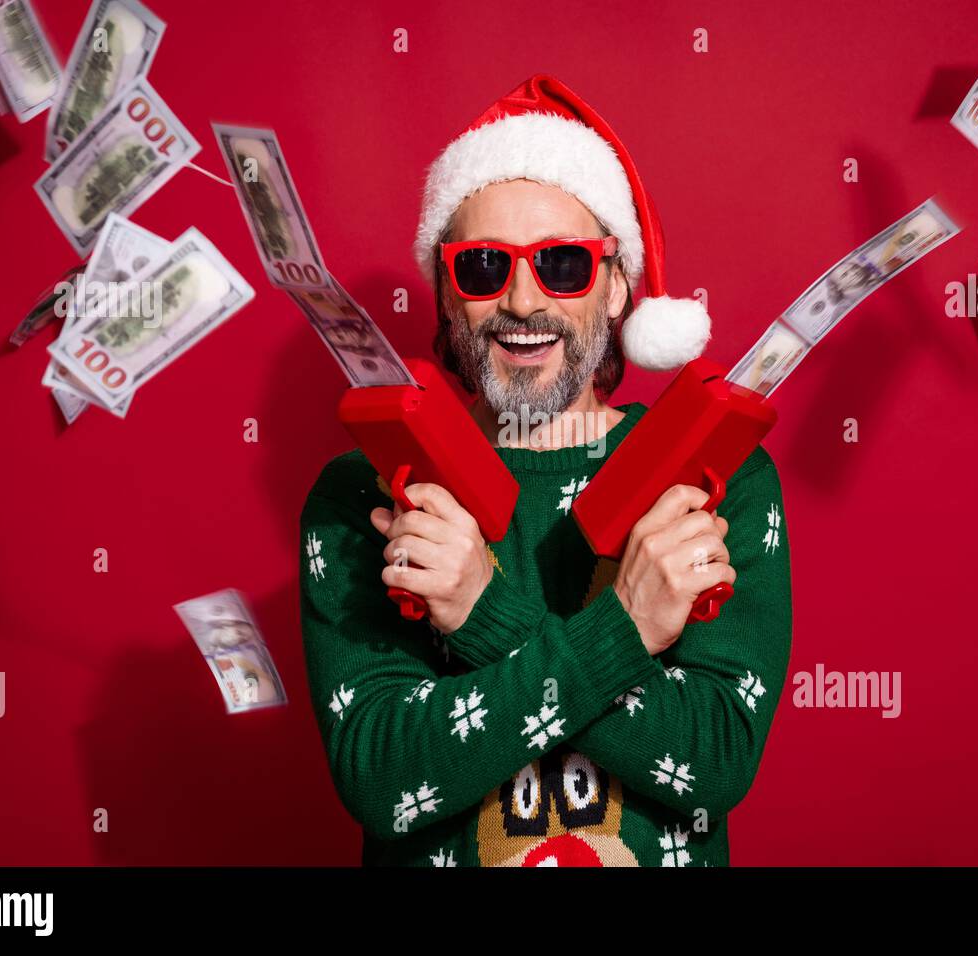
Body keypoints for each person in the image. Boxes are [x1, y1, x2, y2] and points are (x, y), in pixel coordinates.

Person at [299, 74, 792, 866]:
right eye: (483, 267)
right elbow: (383, 780)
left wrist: (480, 612)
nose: (524, 301)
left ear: (619, 285)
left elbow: (714, 761)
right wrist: (627, 631)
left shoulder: (713, 476)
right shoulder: (371, 488)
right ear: (447, 294)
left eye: (564, 264)